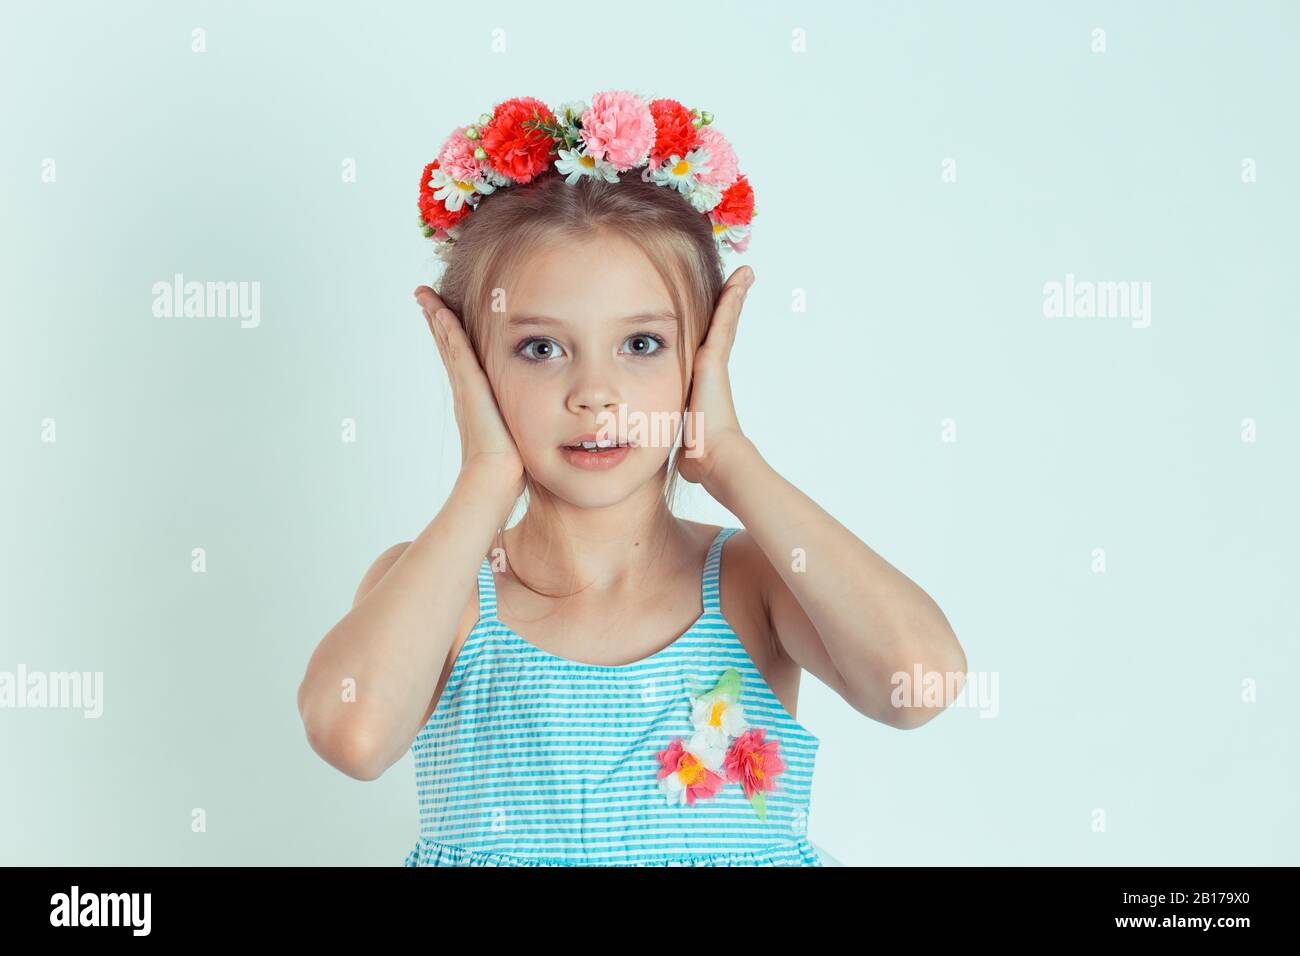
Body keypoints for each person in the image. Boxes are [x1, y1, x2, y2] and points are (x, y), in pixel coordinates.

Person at [297, 92, 966, 866]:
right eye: (541, 349)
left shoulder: (754, 582)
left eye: (642, 343)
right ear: (471, 367)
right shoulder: (443, 593)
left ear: (705, 352)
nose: (595, 393)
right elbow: (353, 735)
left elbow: (918, 686)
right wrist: (484, 476)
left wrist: (731, 459)